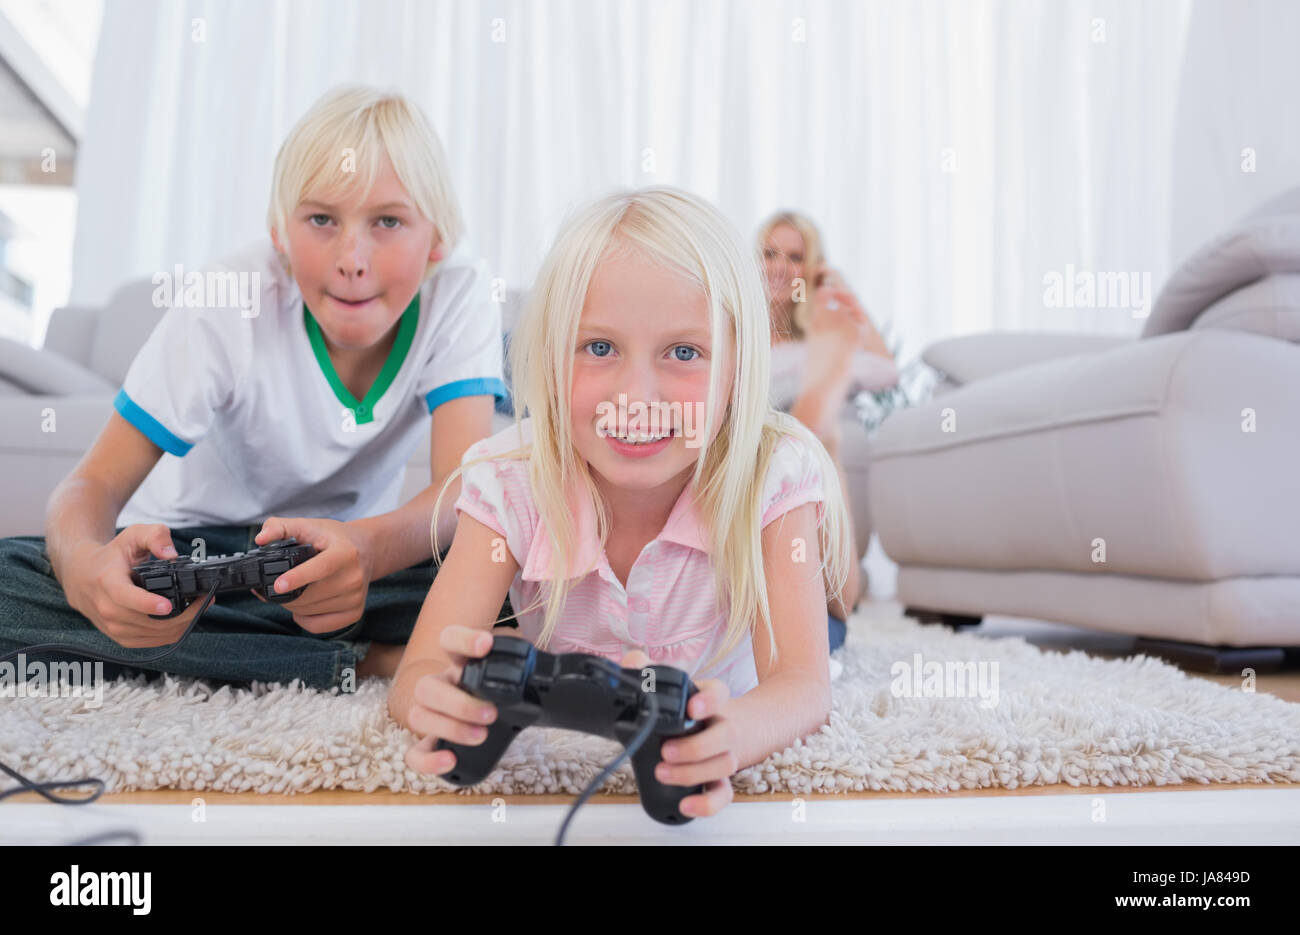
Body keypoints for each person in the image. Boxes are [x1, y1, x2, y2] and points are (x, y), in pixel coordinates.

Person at [0, 85, 507, 689]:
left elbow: (459, 491)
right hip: (199, 557)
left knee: (521, 579)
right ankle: (364, 660)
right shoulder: (225, 298)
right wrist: (87, 575)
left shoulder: (462, 293)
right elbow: (90, 485)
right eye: (321, 219)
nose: (352, 258)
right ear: (278, 232)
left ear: (438, 239)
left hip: (348, 559)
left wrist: (369, 551)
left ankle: (251, 652)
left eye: (388, 222)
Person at [389, 187, 857, 820]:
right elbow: (421, 669)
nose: (637, 396)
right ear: (552, 359)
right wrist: (430, 698)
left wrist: (735, 735)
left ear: (740, 367)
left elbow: (803, 687)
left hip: (749, 626)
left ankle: (840, 579)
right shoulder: (511, 477)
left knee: (830, 624)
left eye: (684, 352)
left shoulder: (769, 472)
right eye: (600, 348)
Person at [758, 211, 898, 603]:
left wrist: (837, 289)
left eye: (795, 257)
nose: (780, 267)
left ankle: (811, 423)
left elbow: (886, 372)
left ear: (813, 269)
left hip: (789, 407)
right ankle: (812, 430)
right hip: (756, 411)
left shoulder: (816, 338)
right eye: (769, 254)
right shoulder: (736, 329)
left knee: (796, 435)